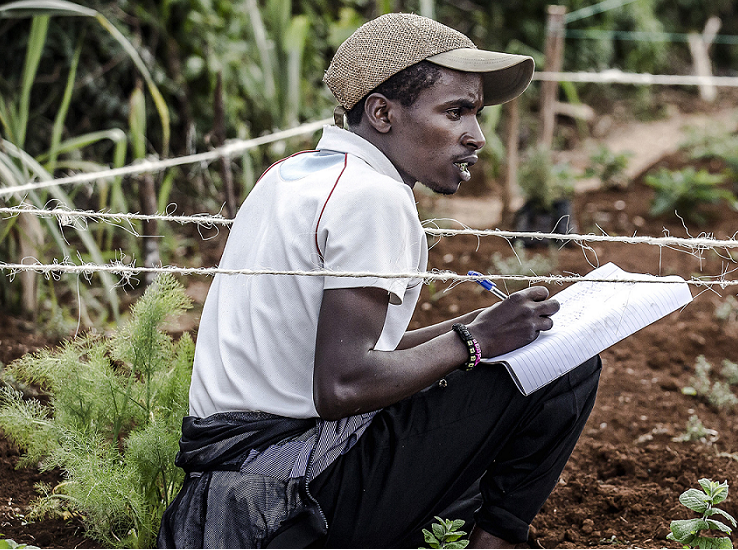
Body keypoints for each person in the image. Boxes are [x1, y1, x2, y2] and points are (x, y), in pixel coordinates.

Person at [157, 13, 601, 548]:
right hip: (301, 482)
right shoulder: (375, 196)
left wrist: (475, 325)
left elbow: (344, 352)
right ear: (382, 113)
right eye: (455, 111)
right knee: (566, 367)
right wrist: (474, 342)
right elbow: (342, 384)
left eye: (476, 114)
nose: (476, 136)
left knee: (513, 373)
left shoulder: (294, 174)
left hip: (238, 475)